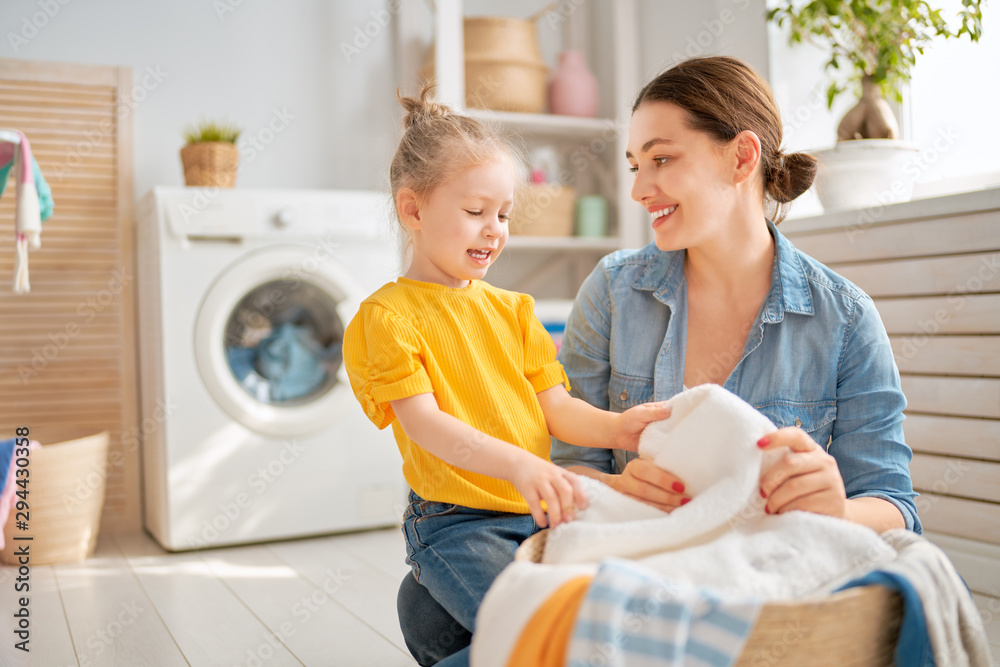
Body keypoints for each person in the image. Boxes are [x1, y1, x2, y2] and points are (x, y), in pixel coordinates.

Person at [398, 55, 923, 665]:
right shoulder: (616, 291)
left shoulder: (845, 319)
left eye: (662, 159)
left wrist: (835, 505)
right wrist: (620, 486)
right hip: (639, 566)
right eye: (634, 165)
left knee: (455, 626)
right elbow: (561, 467)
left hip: (759, 581)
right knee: (426, 604)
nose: (639, 188)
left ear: (742, 157)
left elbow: (895, 508)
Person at [342, 84, 671, 667]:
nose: (493, 229)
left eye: (503, 214)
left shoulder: (515, 310)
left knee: (591, 616)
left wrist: (622, 430)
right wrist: (521, 463)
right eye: (475, 213)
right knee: (541, 638)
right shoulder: (386, 317)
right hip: (456, 522)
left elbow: (557, 409)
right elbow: (428, 426)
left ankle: (435, 611)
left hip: (535, 510)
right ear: (413, 210)